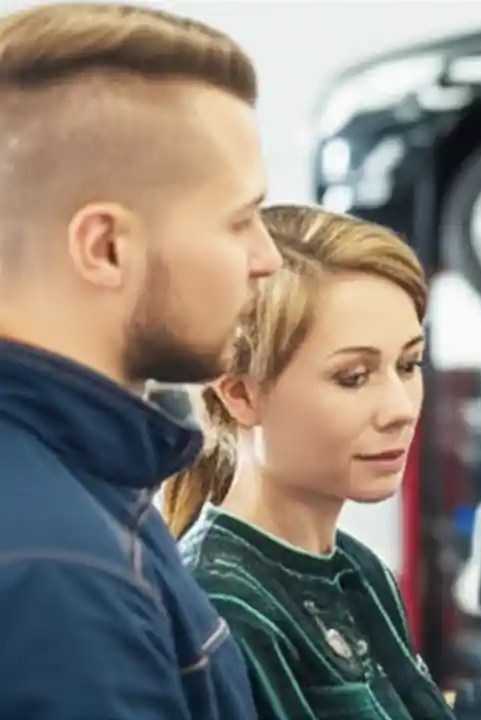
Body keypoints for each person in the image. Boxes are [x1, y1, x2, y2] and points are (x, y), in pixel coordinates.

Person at [0, 3, 280, 718]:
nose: (265, 258)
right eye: (238, 220)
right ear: (106, 248)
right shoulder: (61, 575)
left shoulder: (83, 489)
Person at [162, 205, 457, 720]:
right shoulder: (226, 607)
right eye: (353, 377)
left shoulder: (360, 572)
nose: (400, 409)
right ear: (240, 394)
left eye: (409, 365)